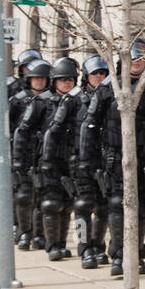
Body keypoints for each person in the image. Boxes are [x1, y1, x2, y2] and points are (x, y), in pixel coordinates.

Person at [82, 41, 145, 276]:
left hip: (144, 156)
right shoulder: (108, 87)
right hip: (115, 157)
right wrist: (87, 161)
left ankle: (137, 254)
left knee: (143, 207)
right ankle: (119, 255)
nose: (136, 62)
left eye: (140, 58)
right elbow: (90, 124)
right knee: (117, 206)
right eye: (132, 57)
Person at [36, 58, 83, 260]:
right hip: (50, 159)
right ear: (54, 81)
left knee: (67, 204)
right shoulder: (42, 102)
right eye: (62, 79)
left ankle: (62, 244)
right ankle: (52, 244)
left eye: (70, 79)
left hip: (71, 159)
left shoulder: (80, 101)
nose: (67, 83)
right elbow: (25, 132)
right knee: (51, 204)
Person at [73, 55, 111, 269]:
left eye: (102, 73)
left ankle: (97, 246)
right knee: (83, 206)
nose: (98, 76)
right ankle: (84, 248)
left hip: (105, 160)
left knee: (104, 207)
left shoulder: (110, 96)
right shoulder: (75, 99)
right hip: (81, 161)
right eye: (95, 73)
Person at [10, 61, 52, 249]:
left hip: (44, 154)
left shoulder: (52, 99)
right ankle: (24, 231)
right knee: (24, 196)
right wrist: (16, 158)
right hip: (24, 153)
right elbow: (12, 130)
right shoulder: (18, 100)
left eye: (42, 79)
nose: (39, 82)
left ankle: (39, 234)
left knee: (44, 197)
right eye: (35, 78)